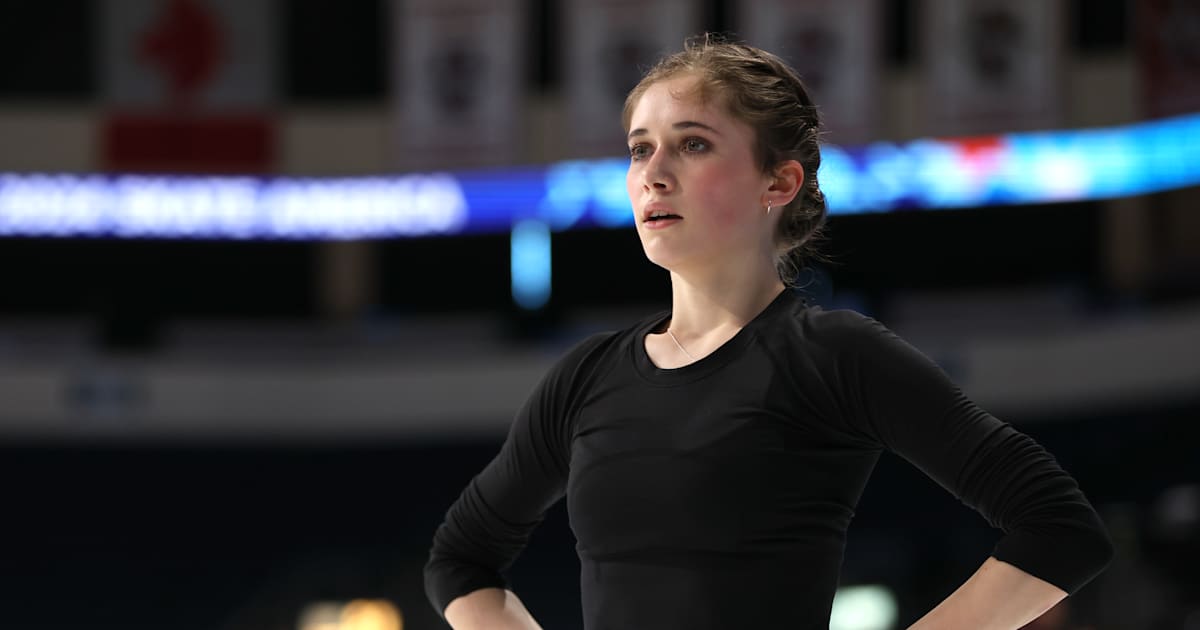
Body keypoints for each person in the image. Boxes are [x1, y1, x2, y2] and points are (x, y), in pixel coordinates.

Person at [424, 35, 1113, 629]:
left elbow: (1062, 529)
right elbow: (460, 558)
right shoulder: (587, 377)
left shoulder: (833, 356)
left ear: (778, 182)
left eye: (692, 144)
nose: (653, 175)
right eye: (640, 150)